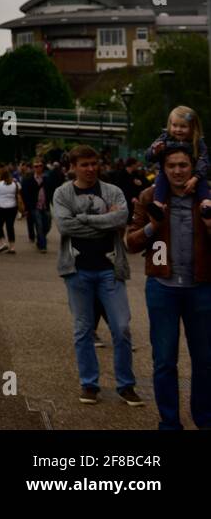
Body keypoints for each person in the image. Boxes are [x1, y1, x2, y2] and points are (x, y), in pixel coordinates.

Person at [125, 142, 211, 429]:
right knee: (164, 360)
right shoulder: (150, 197)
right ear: (163, 169)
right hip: (163, 288)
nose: (177, 170)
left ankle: (204, 416)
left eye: (183, 165)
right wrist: (152, 225)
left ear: (193, 168)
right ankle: (170, 422)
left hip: (201, 287)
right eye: (171, 165)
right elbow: (131, 243)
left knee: (205, 360)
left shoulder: (206, 199)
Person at [53, 144, 144, 407]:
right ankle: (89, 384)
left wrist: (83, 220)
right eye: (84, 164)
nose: (91, 169)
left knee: (122, 327)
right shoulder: (62, 193)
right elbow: (64, 225)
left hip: (110, 268)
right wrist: (103, 222)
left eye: (94, 163)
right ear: (73, 167)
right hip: (77, 269)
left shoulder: (113, 191)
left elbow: (121, 219)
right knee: (83, 330)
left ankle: (126, 385)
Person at [144, 106, 211, 211]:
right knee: (161, 179)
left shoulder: (198, 142)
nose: (178, 130)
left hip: (195, 172)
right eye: (174, 125)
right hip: (166, 172)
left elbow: (204, 160)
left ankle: (206, 203)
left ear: (193, 127)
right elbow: (148, 157)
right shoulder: (165, 137)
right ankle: (158, 204)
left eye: (183, 126)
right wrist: (155, 151)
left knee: (202, 181)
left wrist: (195, 178)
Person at [21, 157, 61, 253]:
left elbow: (52, 191)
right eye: (36, 166)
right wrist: (26, 208)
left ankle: (40, 239)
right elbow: (25, 194)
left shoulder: (47, 178)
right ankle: (43, 246)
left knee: (48, 225)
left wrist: (54, 204)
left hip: (45, 205)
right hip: (35, 207)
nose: (38, 167)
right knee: (39, 225)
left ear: (43, 167)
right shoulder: (28, 179)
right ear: (33, 167)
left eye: (40, 166)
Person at [0, 164, 21, 254]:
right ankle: (12, 247)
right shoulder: (15, 183)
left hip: (0, 207)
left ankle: (3, 243)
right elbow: (19, 191)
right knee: (10, 226)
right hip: (12, 207)